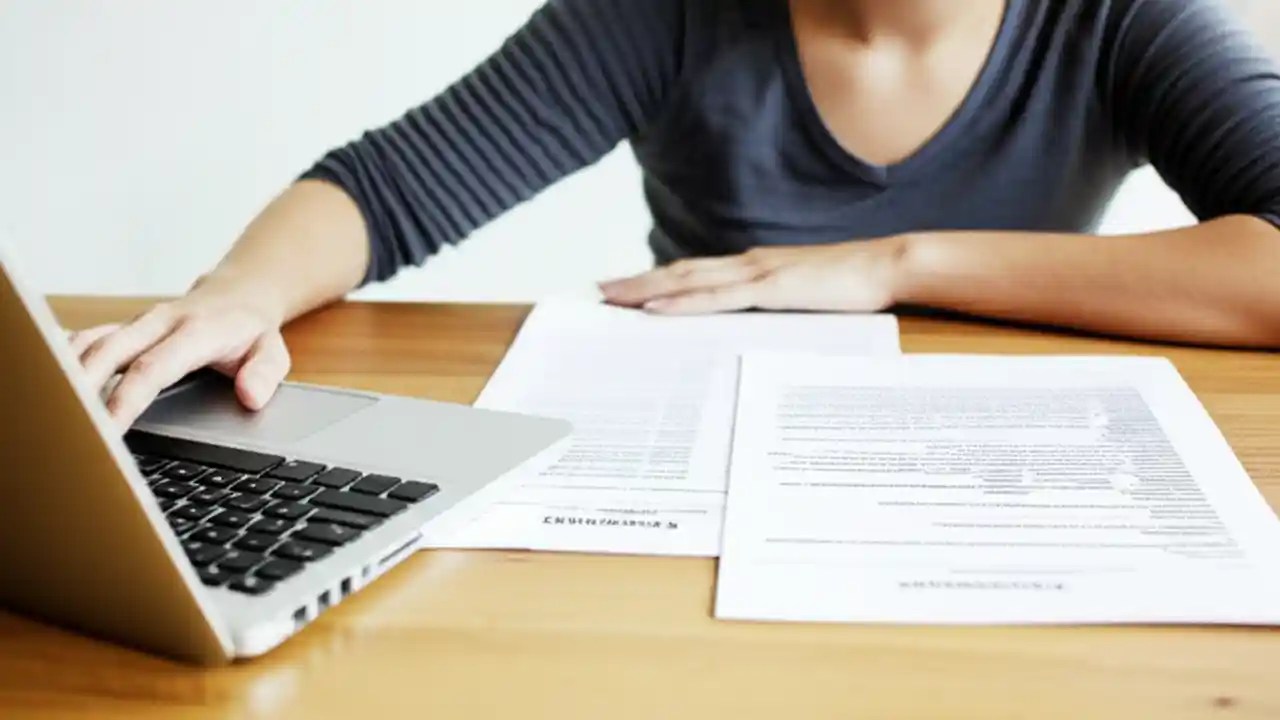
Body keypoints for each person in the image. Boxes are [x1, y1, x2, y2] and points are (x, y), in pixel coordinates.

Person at [72, 0, 1280, 428]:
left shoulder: (1121, 18)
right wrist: (238, 293)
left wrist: (895, 263)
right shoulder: (672, 13)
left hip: (996, 463)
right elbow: (387, 186)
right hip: (708, 458)